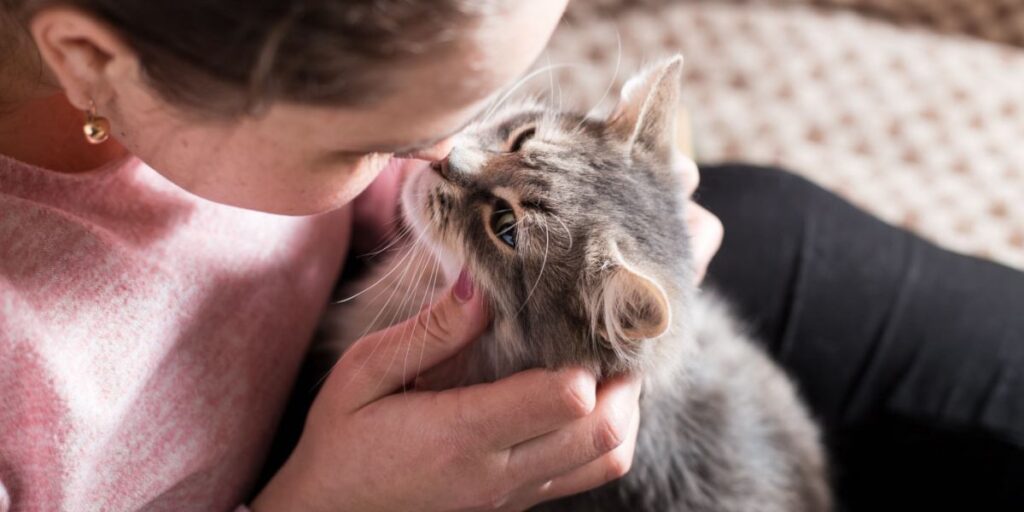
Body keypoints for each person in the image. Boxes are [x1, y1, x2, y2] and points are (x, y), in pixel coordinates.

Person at [0, 1, 1020, 511]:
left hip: (496, 299)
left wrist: (633, 203)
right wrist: (323, 500)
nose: (444, 151)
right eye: (377, 138)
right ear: (90, 62)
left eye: (480, 104)